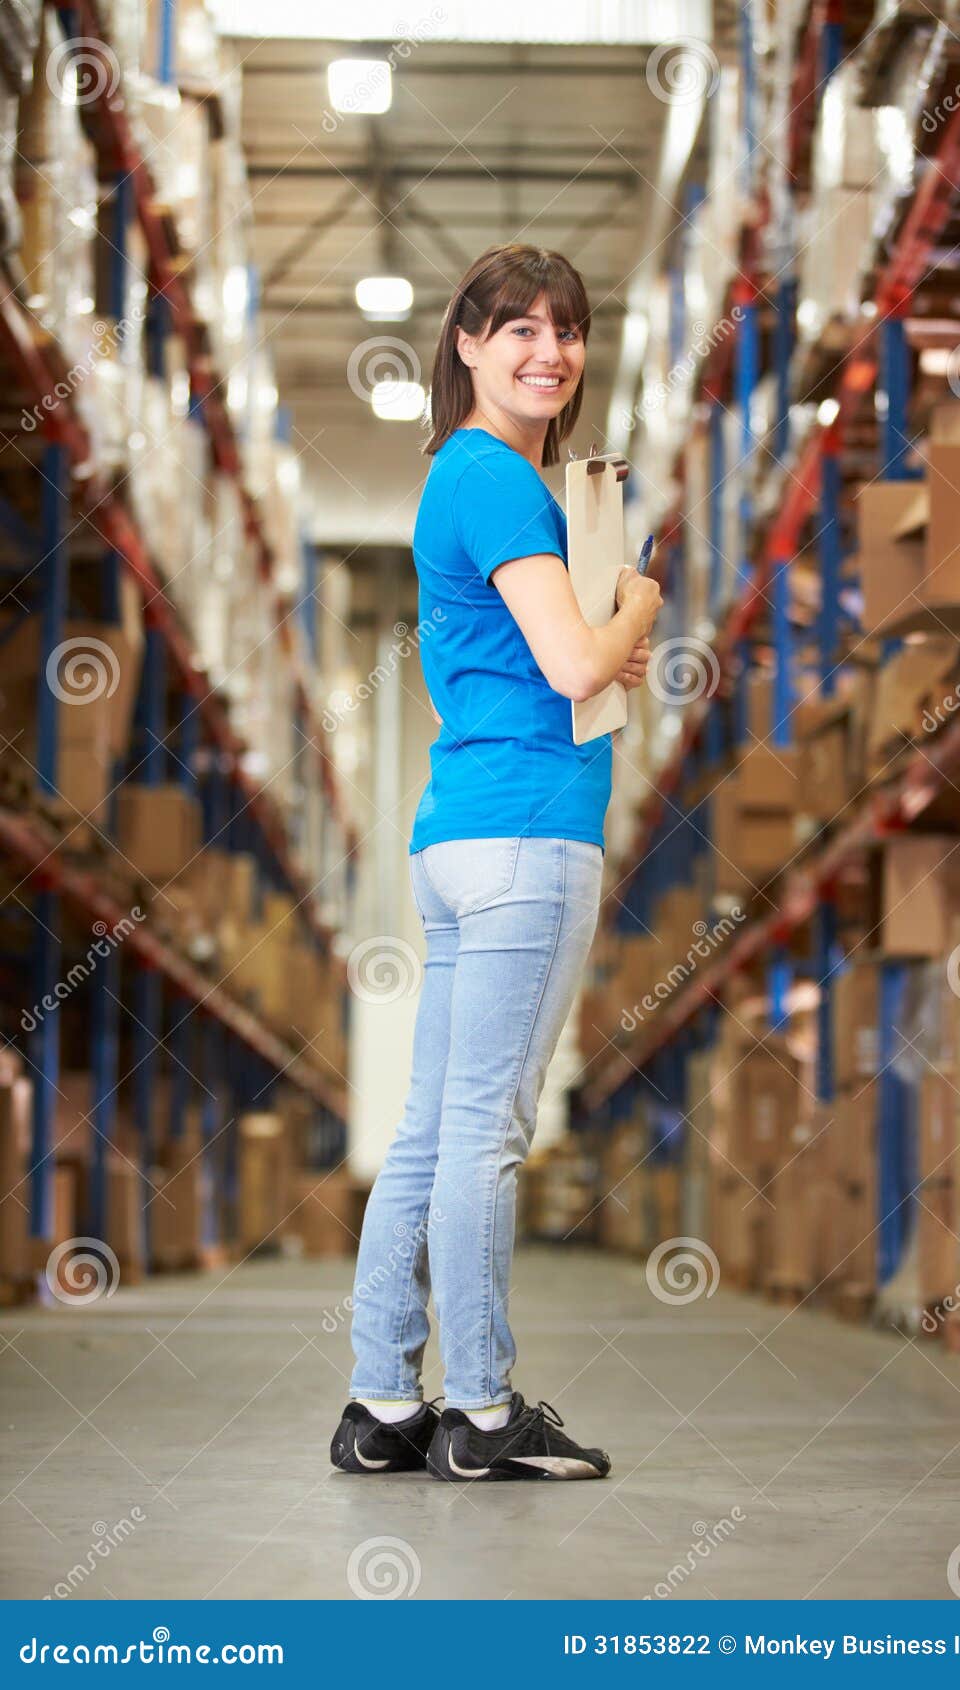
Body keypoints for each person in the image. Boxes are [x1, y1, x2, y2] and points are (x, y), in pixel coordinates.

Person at [330, 244, 663, 1484]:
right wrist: (634, 603)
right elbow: (579, 667)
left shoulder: (460, 478)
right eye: (515, 327)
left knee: (429, 1127)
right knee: (483, 1131)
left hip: (461, 831)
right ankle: (476, 1409)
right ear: (463, 345)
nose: (547, 349)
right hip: (527, 830)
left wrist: (594, 635)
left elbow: (548, 652)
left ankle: (380, 1401)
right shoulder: (500, 481)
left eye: (567, 329)